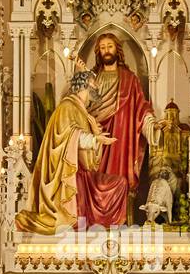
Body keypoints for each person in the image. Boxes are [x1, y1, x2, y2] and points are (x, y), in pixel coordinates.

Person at [16, 71, 120, 233]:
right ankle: (84, 223)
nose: (97, 88)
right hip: (67, 175)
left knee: (119, 184)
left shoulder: (82, 111)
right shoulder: (67, 107)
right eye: (94, 84)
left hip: (81, 173)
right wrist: (95, 139)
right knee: (114, 186)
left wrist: (96, 137)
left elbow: (88, 156)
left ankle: (104, 227)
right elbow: (69, 136)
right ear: (85, 85)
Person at [76, 33, 155, 226]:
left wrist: (150, 122)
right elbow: (80, 103)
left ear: (116, 49)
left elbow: (140, 107)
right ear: (98, 52)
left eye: (109, 46)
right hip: (95, 136)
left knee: (118, 178)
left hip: (121, 137)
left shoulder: (129, 79)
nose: (106, 51)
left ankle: (120, 220)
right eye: (102, 47)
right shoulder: (93, 77)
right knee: (94, 178)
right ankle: (92, 219)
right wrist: (81, 74)